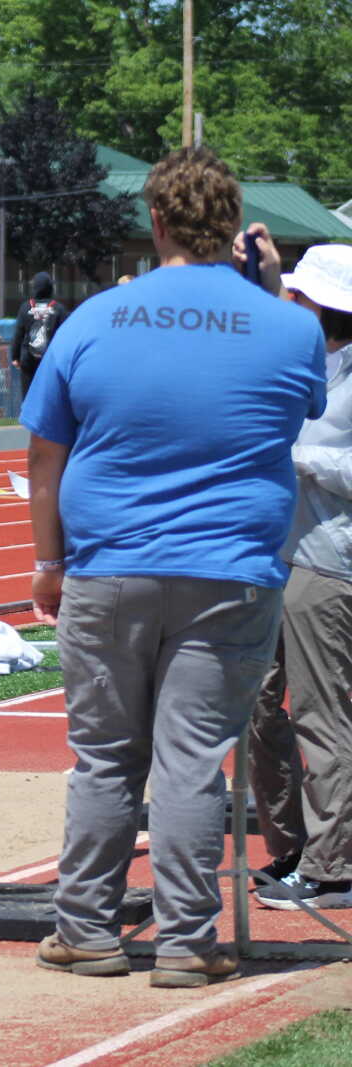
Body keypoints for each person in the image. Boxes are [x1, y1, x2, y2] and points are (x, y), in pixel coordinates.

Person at [24, 147, 326, 987]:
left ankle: (85, 927)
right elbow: (301, 399)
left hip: (107, 562)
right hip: (231, 569)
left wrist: (48, 560)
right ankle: (188, 942)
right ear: (238, 230)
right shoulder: (291, 323)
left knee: (106, 755)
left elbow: (46, 454)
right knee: (194, 759)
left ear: (154, 223)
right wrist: (261, 290)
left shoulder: (90, 319)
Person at [247, 240, 352, 912]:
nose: (292, 303)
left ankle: (333, 863)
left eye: (301, 295)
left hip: (326, 560)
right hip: (277, 557)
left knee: (322, 714)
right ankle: (297, 844)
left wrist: (305, 459)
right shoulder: (304, 361)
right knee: (257, 709)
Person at [8, 271, 68, 400]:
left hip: (28, 359)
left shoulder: (25, 307)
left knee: (29, 396)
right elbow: (66, 336)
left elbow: (19, 333)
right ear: (50, 288)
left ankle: (29, 418)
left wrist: (15, 356)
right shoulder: (58, 309)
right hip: (51, 360)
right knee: (50, 396)